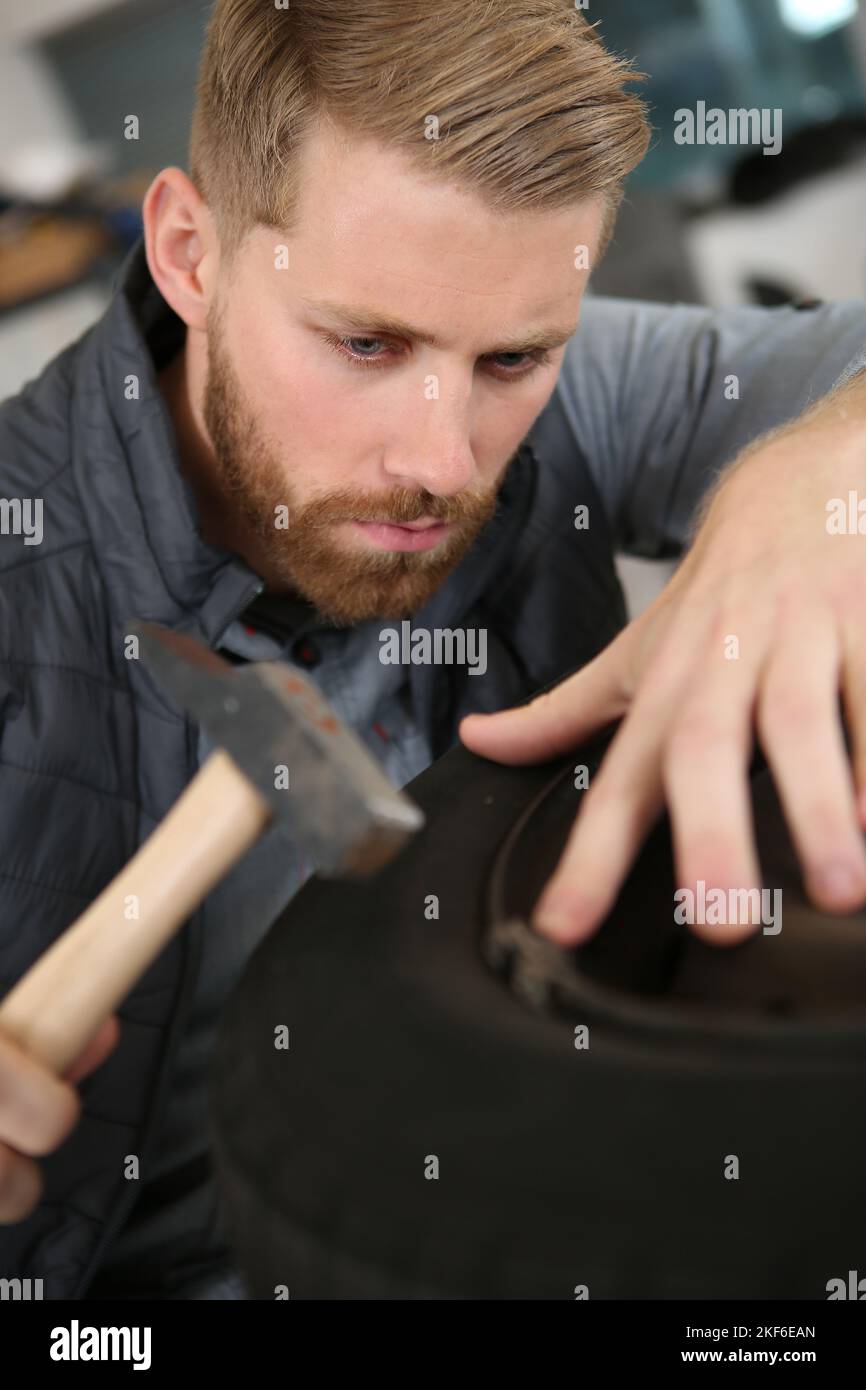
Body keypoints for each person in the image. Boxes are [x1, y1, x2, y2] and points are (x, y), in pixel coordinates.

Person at [1, 0, 865, 1300]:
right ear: (190, 250)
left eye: (513, 358)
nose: (440, 461)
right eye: (364, 344)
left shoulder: (551, 386)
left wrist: (809, 486)